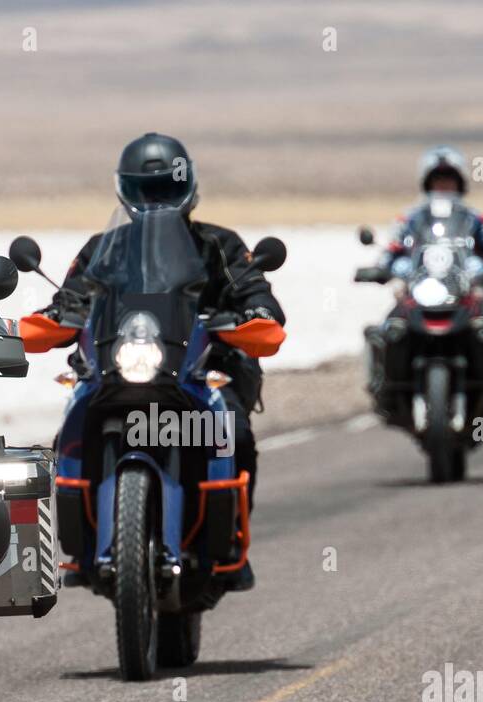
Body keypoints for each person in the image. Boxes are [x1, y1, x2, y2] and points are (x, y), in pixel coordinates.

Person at [20, 132, 285, 591]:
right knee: (69, 432)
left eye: (165, 188)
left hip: (200, 373)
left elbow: (256, 295)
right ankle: (82, 546)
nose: (157, 200)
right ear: (127, 191)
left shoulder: (219, 245)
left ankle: (231, 542)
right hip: (117, 368)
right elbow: (73, 298)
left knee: (235, 432)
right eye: (147, 190)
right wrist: (51, 318)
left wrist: (252, 315)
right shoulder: (104, 249)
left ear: (187, 188)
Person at [360, 145, 483, 423]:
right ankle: (384, 389)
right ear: (427, 183)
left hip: (464, 294)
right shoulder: (410, 219)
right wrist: (379, 269)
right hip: (420, 292)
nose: (443, 186)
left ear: (460, 183)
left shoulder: (476, 220)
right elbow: (392, 250)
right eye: (438, 180)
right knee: (389, 330)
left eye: (448, 180)